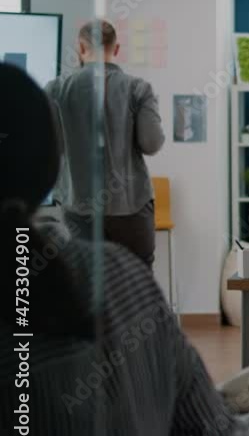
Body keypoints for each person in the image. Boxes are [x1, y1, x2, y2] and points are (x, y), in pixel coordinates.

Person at [0, 63, 236, 436]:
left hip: (78, 207)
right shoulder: (125, 278)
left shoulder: (61, 87)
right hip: (130, 210)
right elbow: (203, 435)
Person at [46, 19, 165, 265]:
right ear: (116, 49)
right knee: (138, 281)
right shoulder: (138, 88)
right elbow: (151, 144)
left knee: (87, 282)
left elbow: (51, 146)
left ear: (81, 48)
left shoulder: (56, 90)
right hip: (131, 205)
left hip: (78, 206)